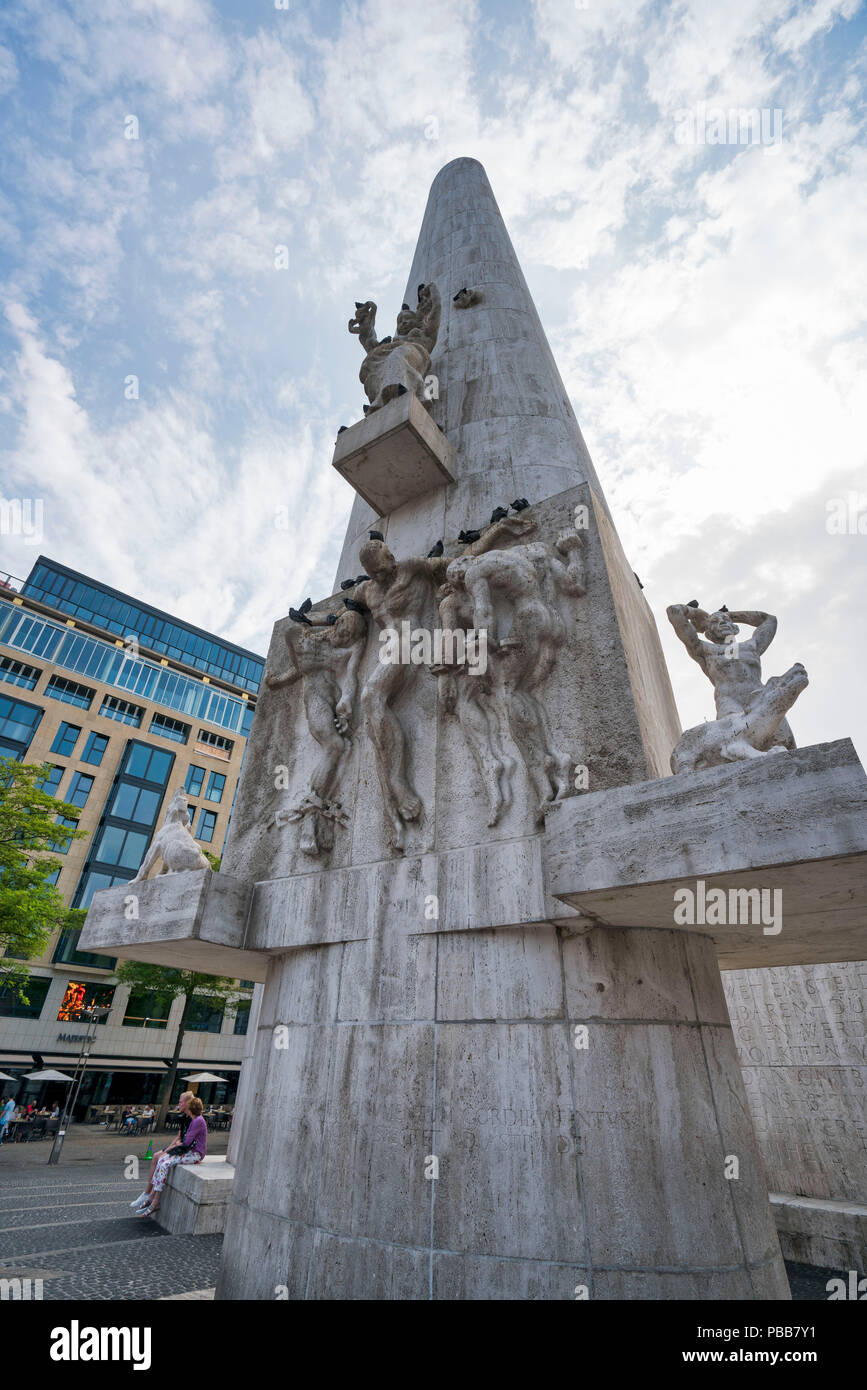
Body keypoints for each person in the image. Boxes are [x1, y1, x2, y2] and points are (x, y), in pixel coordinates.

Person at [132, 1096, 207, 1217]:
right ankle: (152, 1197)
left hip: (195, 1154)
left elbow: (187, 1142)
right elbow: (185, 1140)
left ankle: (155, 1200)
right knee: (161, 1160)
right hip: (189, 1151)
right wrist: (178, 1144)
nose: (184, 1108)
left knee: (165, 1163)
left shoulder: (197, 1121)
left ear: (190, 1108)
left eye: (185, 1105)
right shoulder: (194, 1120)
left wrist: (177, 1144)